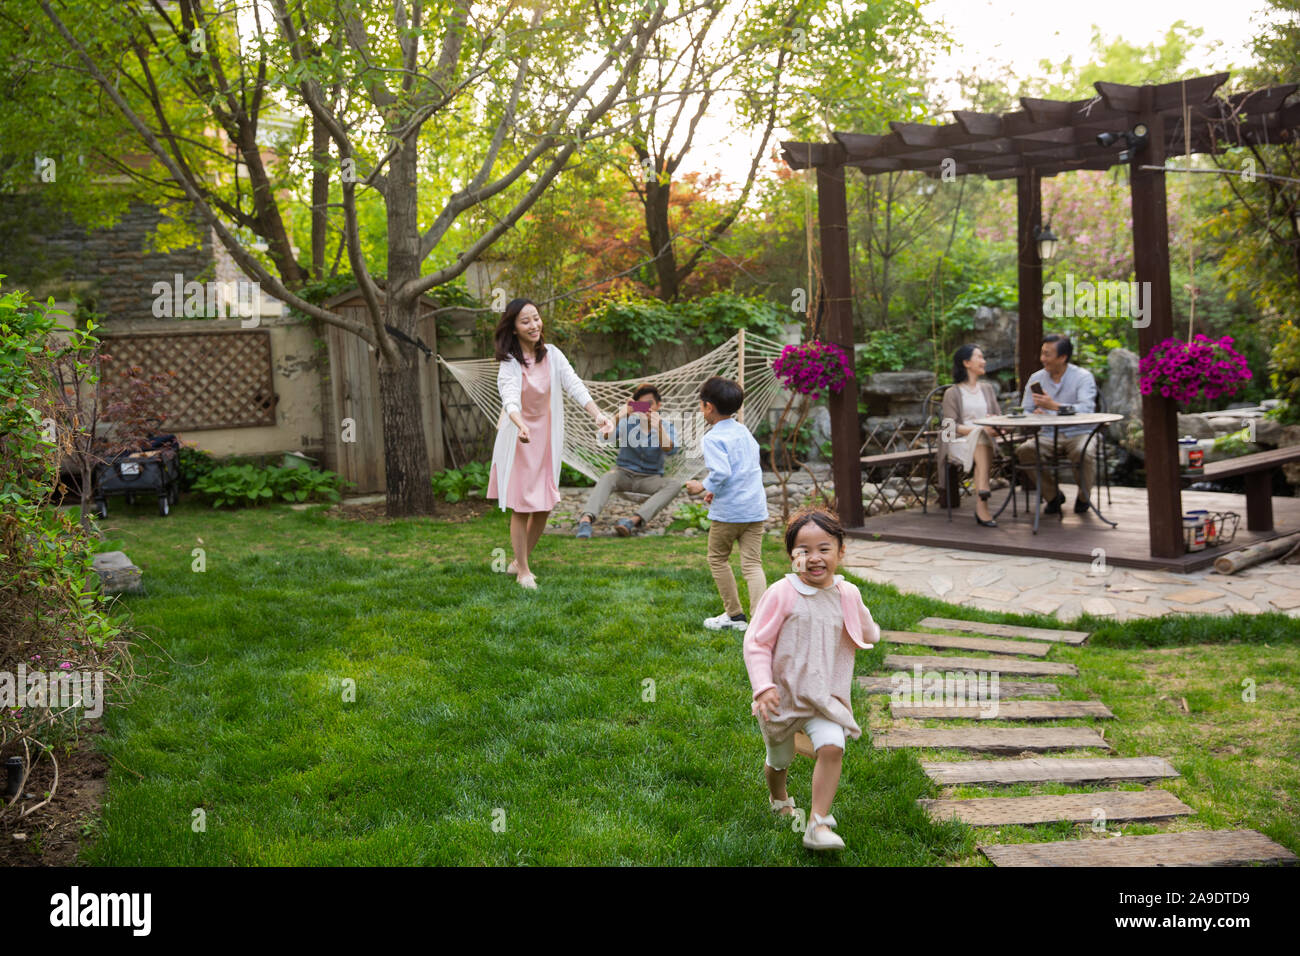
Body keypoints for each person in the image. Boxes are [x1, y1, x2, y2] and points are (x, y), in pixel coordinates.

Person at [742, 507, 880, 852]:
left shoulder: (847, 594)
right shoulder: (782, 593)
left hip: (823, 697)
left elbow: (867, 632)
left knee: (833, 746)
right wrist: (763, 686)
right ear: (792, 556)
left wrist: (861, 614)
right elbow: (757, 642)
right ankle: (779, 796)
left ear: (840, 552)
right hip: (782, 699)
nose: (814, 558)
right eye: (804, 550)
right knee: (780, 760)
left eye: (824, 548)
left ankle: (818, 823)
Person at [487, 298, 613, 589]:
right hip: (519, 437)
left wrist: (598, 415)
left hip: (545, 440)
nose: (534, 325)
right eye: (525, 321)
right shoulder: (509, 362)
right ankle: (523, 572)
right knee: (521, 506)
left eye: (536, 318)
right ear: (514, 328)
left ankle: (520, 560)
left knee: (543, 505)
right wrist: (520, 425)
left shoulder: (553, 355)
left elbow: (574, 385)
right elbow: (510, 398)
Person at [684, 376, 767, 632]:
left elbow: (721, 472)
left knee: (718, 559)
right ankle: (762, 621)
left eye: (701, 404)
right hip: (754, 510)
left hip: (729, 514)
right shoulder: (744, 431)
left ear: (708, 407)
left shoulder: (712, 438)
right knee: (753, 565)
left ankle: (735, 616)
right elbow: (743, 469)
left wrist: (703, 487)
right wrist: (715, 491)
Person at [574, 384, 684, 538]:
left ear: (659, 405)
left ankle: (632, 521)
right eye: (641, 405)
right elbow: (603, 438)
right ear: (635, 406)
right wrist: (619, 415)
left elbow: (671, 451)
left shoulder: (666, 426)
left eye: (650, 404)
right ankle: (585, 521)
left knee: (675, 484)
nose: (646, 409)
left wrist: (658, 428)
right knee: (608, 477)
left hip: (650, 479)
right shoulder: (628, 422)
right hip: (623, 475)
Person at [1014, 334, 1099, 515]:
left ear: (1062, 357)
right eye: (1042, 353)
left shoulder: (1083, 377)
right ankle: (1052, 496)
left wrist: (1054, 406)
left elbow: (1086, 409)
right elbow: (1025, 410)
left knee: (1083, 451)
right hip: (1048, 434)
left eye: (1048, 354)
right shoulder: (1036, 378)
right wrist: (1034, 414)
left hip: (1080, 432)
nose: (1042, 358)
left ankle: (1084, 498)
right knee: (1025, 451)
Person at [937, 345, 1003, 527]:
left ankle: (982, 492)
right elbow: (950, 427)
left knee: (981, 438)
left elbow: (999, 416)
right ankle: (983, 492)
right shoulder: (952, 393)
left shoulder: (988, 389)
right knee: (980, 435)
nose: (984, 361)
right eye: (979, 357)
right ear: (966, 363)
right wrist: (979, 428)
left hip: (984, 440)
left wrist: (993, 421)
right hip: (959, 442)